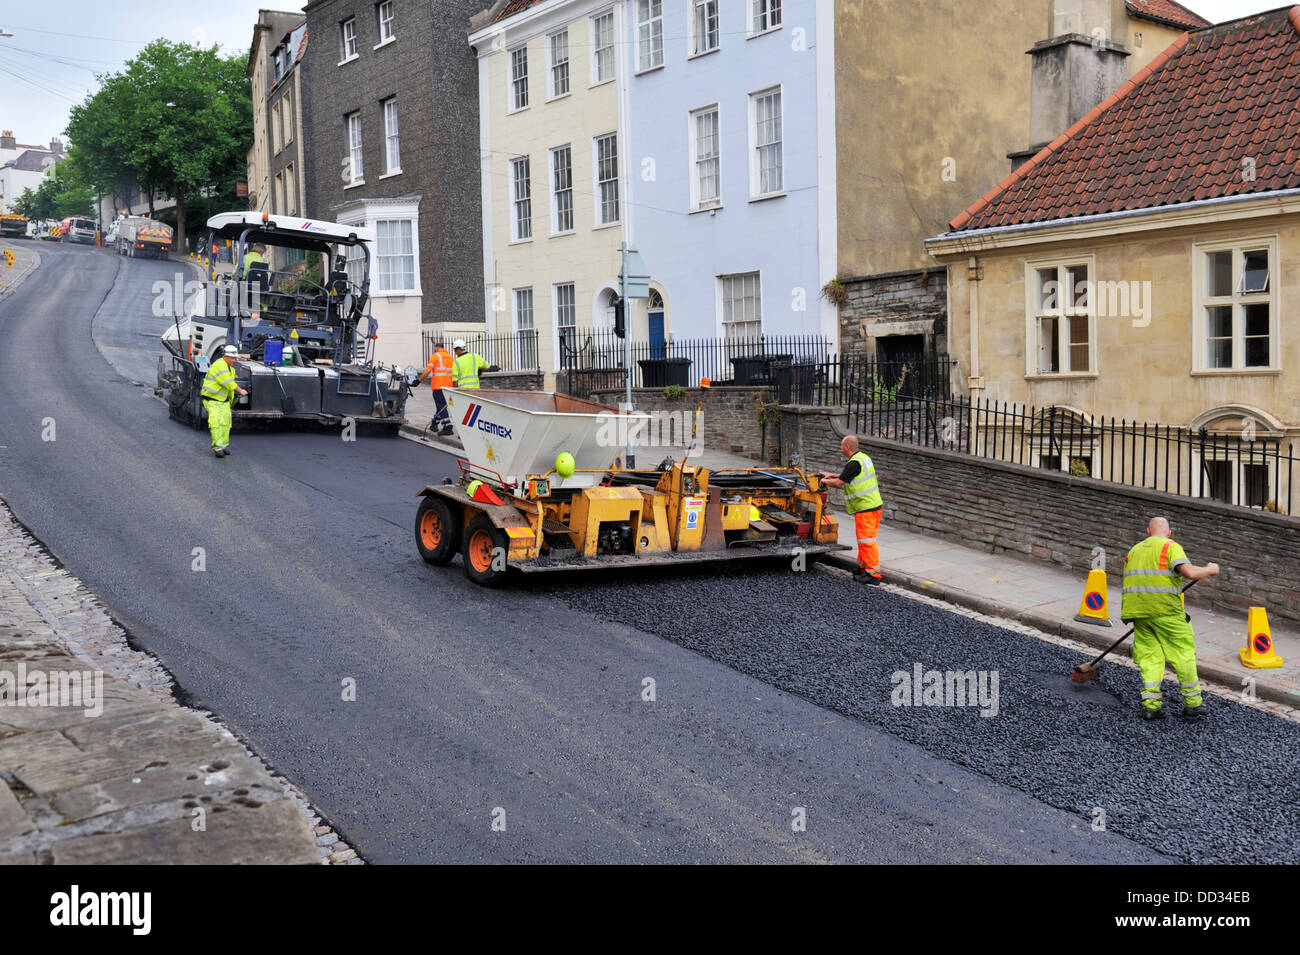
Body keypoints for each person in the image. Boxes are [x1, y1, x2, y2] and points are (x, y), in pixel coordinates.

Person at [1121, 516, 1219, 722]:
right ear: (1169, 533)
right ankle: (1193, 705)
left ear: (1148, 531)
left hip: (1138, 612)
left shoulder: (1134, 551)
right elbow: (1190, 573)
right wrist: (1210, 569)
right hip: (1166, 611)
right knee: (1183, 654)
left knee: (1150, 658)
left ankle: (1151, 707)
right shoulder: (1169, 547)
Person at [819, 435, 883, 584]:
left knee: (867, 541)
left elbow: (839, 482)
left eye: (841, 446)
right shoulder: (863, 458)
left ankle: (874, 575)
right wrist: (831, 474)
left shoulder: (854, 463)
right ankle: (864, 569)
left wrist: (824, 481)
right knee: (864, 540)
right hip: (873, 505)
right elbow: (849, 475)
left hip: (865, 507)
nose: (841, 448)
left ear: (847, 447)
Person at [201, 345, 248, 458]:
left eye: (235, 358)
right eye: (231, 358)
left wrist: (230, 401)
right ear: (224, 356)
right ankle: (217, 448)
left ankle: (223, 445)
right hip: (212, 400)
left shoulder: (230, 368)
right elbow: (228, 383)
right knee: (216, 423)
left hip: (223, 401)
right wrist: (240, 390)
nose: (234, 360)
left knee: (226, 423)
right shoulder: (220, 365)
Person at [416, 341, 455, 435]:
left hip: (438, 386)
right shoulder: (451, 357)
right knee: (440, 406)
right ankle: (434, 424)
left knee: (441, 406)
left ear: (436, 348)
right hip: (449, 386)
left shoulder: (435, 356)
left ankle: (447, 426)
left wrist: (418, 380)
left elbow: (427, 371)